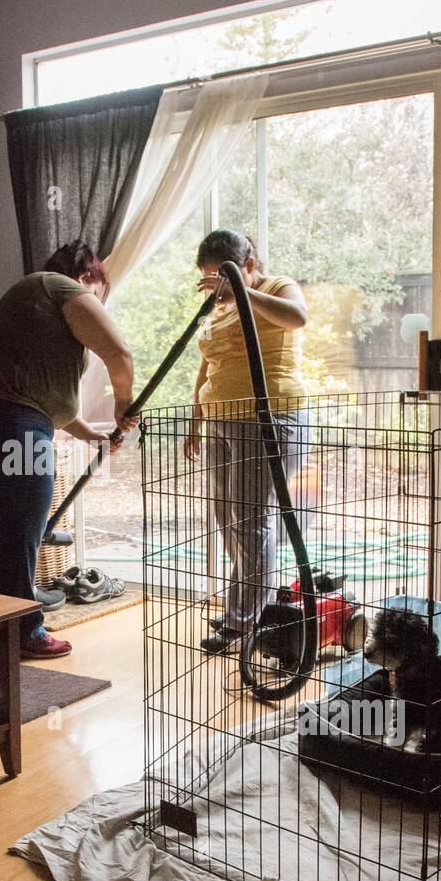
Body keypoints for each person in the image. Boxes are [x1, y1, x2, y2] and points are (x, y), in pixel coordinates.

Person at [0, 241, 137, 660]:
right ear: (89, 278)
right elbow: (119, 352)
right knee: (23, 526)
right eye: (101, 292)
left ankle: (0, 626)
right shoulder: (62, 287)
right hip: (8, 421)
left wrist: (92, 437)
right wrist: (123, 402)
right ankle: (25, 631)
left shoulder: (35, 299)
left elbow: (50, 404)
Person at [183, 229, 311, 655]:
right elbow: (207, 365)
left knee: (252, 522)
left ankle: (243, 622)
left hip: (268, 418)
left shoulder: (276, 287)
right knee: (227, 518)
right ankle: (249, 606)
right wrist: (195, 421)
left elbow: (297, 316)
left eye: (221, 277)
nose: (214, 288)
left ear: (249, 266)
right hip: (221, 421)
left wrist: (241, 292)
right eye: (208, 279)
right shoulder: (219, 309)